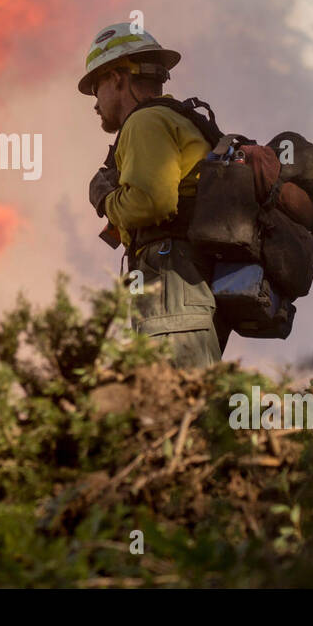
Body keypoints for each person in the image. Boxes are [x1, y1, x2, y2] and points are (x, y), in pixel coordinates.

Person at [81, 22, 230, 368]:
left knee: (179, 395)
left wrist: (105, 199)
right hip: (190, 283)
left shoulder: (145, 122)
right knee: (186, 397)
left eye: (96, 87)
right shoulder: (177, 118)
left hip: (172, 280)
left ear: (117, 77)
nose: (95, 102)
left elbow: (152, 203)